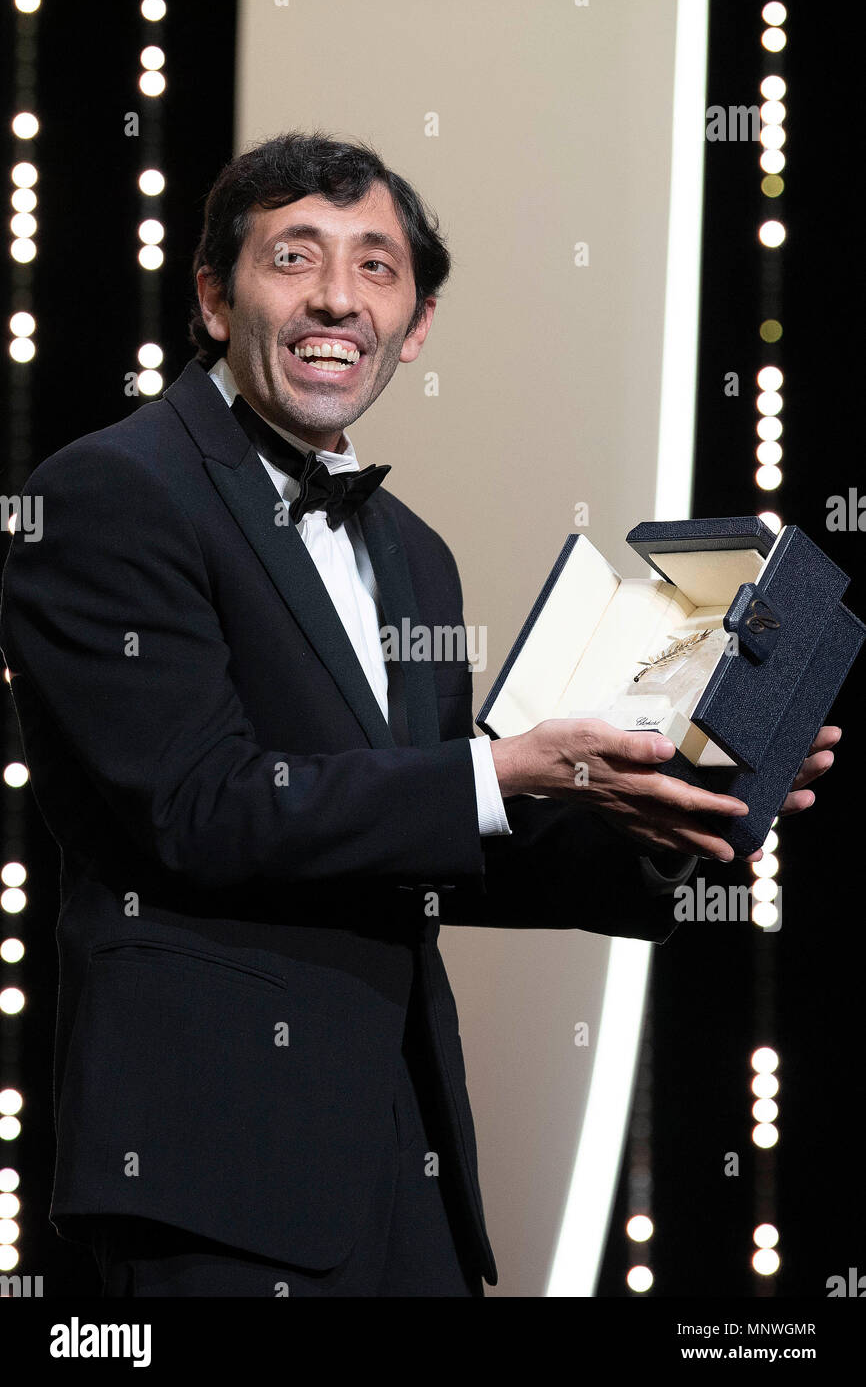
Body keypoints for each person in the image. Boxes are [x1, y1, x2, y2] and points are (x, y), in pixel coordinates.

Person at [0, 132, 838, 1298]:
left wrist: (660, 810)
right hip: (213, 1173)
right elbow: (200, 806)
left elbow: (430, 843)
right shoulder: (108, 494)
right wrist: (504, 771)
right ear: (210, 295)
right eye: (293, 256)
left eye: (376, 268)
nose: (335, 297)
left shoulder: (413, 557)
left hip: (407, 1169)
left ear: (418, 325)